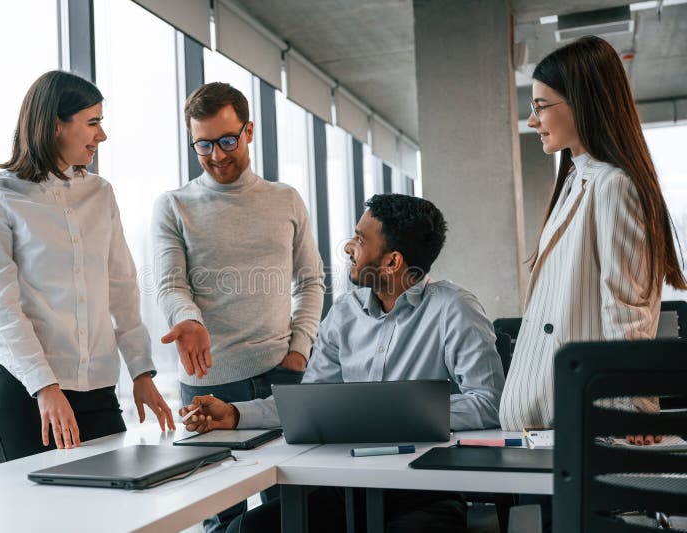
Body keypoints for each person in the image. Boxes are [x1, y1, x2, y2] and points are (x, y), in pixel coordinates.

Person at [181, 194, 506, 533]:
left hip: (424, 491)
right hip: (341, 489)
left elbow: (490, 403)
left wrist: (396, 413)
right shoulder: (344, 313)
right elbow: (311, 405)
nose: (348, 247)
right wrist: (234, 414)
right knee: (242, 531)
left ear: (392, 261)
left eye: (361, 240)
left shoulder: (454, 308)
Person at [0, 71, 175, 463]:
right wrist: (45, 386)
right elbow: (0, 305)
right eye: (93, 123)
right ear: (54, 125)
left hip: (98, 390)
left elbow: (122, 289)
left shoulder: (100, 194)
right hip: (28, 395)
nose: (102, 136)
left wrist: (141, 372)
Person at [152, 81, 324, 532]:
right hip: (206, 385)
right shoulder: (173, 206)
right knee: (218, 519)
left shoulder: (285, 199)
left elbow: (312, 280)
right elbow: (170, 285)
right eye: (203, 144)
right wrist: (186, 319)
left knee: (289, 513)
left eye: (228, 140)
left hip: (281, 376)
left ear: (249, 132)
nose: (217, 155)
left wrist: (299, 350)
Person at [500, 35, 687, 434]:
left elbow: (625, 311)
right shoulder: (573, 182)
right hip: (548, 415)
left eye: (540, 106)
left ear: (582, 102)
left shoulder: (613, 185)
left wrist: (632, 412)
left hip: (583, 417)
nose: (532, 120)